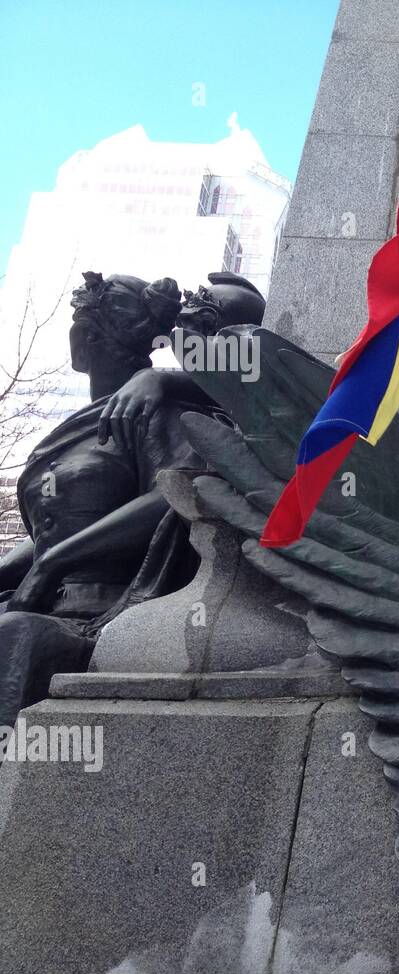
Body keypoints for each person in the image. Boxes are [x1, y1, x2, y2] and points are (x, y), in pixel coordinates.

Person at [0, 271, 265, 724]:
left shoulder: (161, 409)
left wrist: (55, 561)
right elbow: (54, 531)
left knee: (14, 634)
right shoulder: (94, 416)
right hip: (42, 598)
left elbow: (179, 489)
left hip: (101, 610)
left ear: (83, 337)